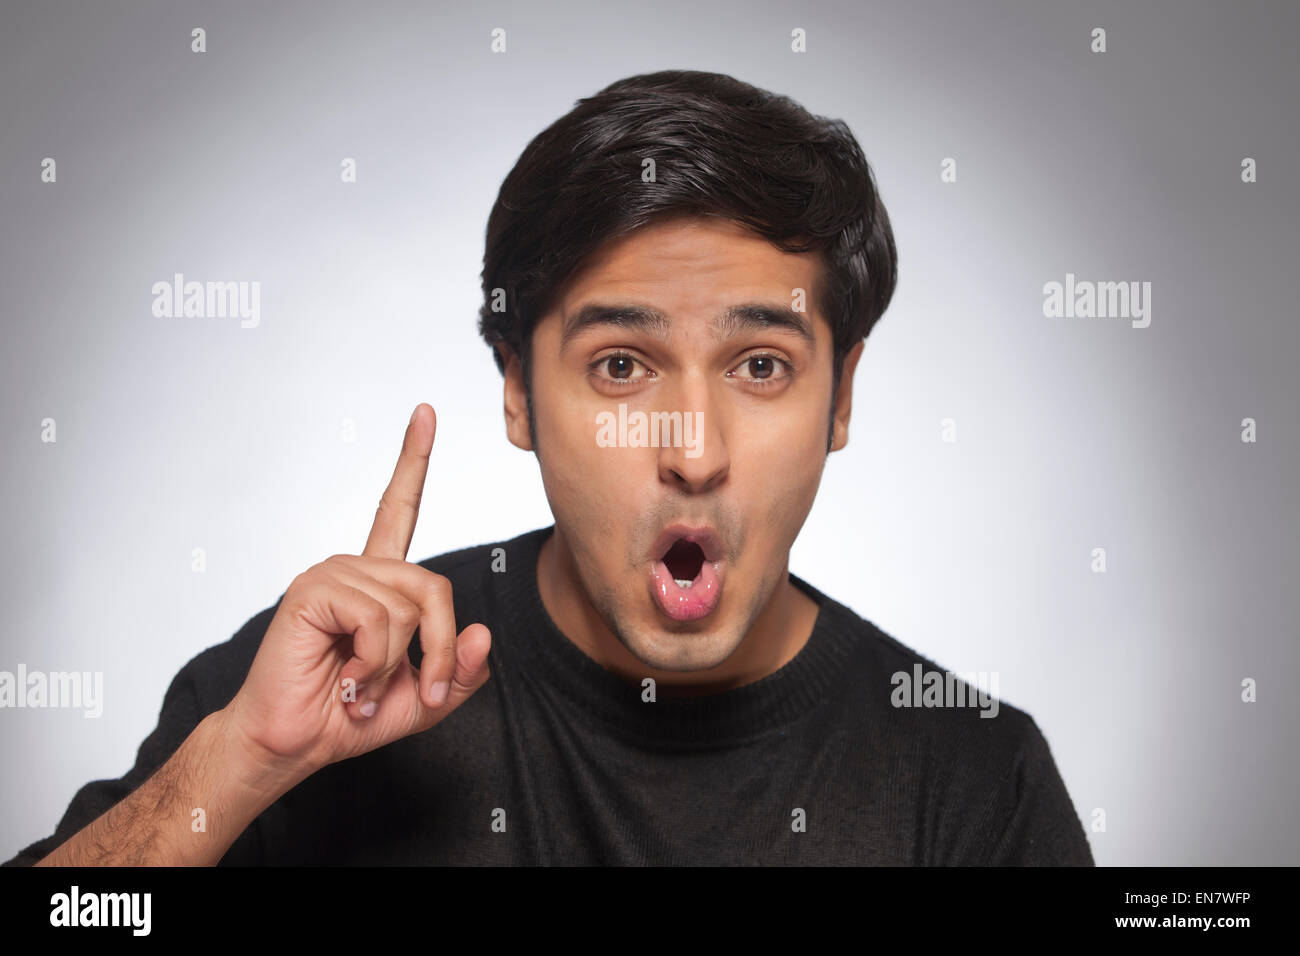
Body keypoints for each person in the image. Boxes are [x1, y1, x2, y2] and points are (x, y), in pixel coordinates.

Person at [5, 70, 1092, 866]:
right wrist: (231, 768)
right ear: (518, 391)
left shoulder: (969, 776)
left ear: (840, 396)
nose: (694, 451)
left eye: (760, 364)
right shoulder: (318, 694)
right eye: (621, 364)